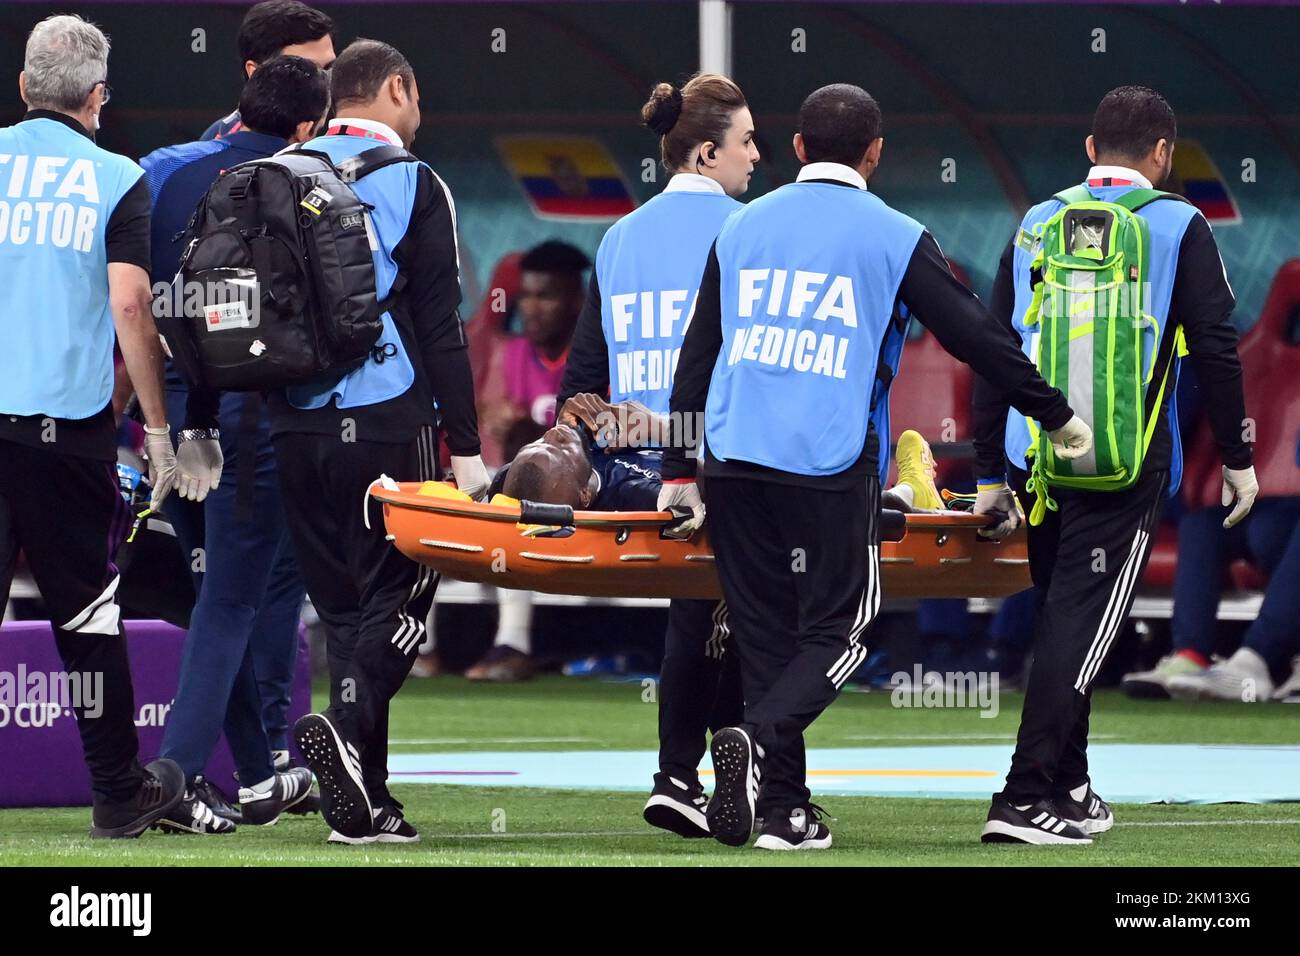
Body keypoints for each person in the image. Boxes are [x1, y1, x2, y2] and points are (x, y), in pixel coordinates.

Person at [662, 83, 1090, 851]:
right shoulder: (894, 234)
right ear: (876, 153)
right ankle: (756, 745)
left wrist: (675, 466)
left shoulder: (742, 227)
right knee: (844, 632)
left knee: (768, 641)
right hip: (828, 465)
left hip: (730, 459)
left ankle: (783, 813)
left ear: (796, 148)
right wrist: (1052, 410)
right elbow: (976, 337)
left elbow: (698, 356)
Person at [971, 86, 1258, 844]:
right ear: (1162, 155)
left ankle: (1070, 785)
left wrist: (988, 473)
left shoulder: (1037, 222)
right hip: (1121, 464)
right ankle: (1024, 794)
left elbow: (990, 349)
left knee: (1064, 617)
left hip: (1032, 461)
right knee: (1083, 626)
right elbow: (1217, 347)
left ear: (1092, 151)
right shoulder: (1178, 225)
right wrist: (1238, 457)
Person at [274, 39, 489, 845]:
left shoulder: (283, 169)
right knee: (400, 599)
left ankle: (368, 803)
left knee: (342, 611)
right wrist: (464, 452)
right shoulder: (413, 182)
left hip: (292, 419)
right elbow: (440, 326)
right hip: (387, 418)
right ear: (396, 89)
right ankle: (342, 732)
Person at [554, 74, 759, 838]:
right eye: (745, 141)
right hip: (711, 456)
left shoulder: (616, 238)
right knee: (755, 610)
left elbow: (578, 386)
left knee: (699, 609)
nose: (756, 154)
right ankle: (745, 763)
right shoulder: (749, 231)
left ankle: (681, 776)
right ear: (707, 152)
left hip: (629, 474)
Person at [0, 14, 185, 837]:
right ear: (98, 98)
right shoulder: (116, 177)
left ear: (23, 88)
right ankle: (118, 793)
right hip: (63, 434)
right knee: (86, 616)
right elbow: (130, 304)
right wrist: (156, 429)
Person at [140, 56, 331, 835]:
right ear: (306, 127)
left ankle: (255, 778)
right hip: (255, 416)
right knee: (233, 601)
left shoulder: (167, 177)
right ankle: (176, 778)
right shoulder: (297, 184)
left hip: (175, 406)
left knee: (208, 596)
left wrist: (158, 422)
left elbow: (138, 297)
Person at [464, 240, 591, 683]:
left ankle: (513, 645)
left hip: (585, 493)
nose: (533, 308)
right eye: (528, 296)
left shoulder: (593, 355)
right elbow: (494, 431)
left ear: (576, 301)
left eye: (548, 295)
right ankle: (426, 650)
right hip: (523, 490)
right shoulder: (512, 353)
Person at [202, 0, 336, 141]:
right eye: (303, 71)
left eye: (327, 69)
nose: (323, 84)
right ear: (254, 72)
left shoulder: (346, 132)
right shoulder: (217, 140)